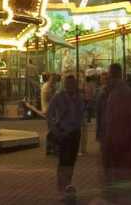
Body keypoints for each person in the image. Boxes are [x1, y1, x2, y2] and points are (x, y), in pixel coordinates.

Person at [47, 74, 85, 202]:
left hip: (75, 133)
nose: (71, 86)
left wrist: (79, 126)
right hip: (63, 133)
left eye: (73, 83)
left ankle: (67, 186)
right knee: (63, 162)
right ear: (65, 84)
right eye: (68, 83)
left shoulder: (78, 98)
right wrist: (54, 129)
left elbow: (81, 114)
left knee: (71, 162)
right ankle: (61, 189)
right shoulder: (59, 97)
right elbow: (50, 113)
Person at [98, 63, 131, 184]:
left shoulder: (110, 91)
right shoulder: (125, 90)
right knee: (120, 168)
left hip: (112, 135)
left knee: (111, 168)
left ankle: (112, 192)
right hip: (121, 134)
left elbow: (104, 114)